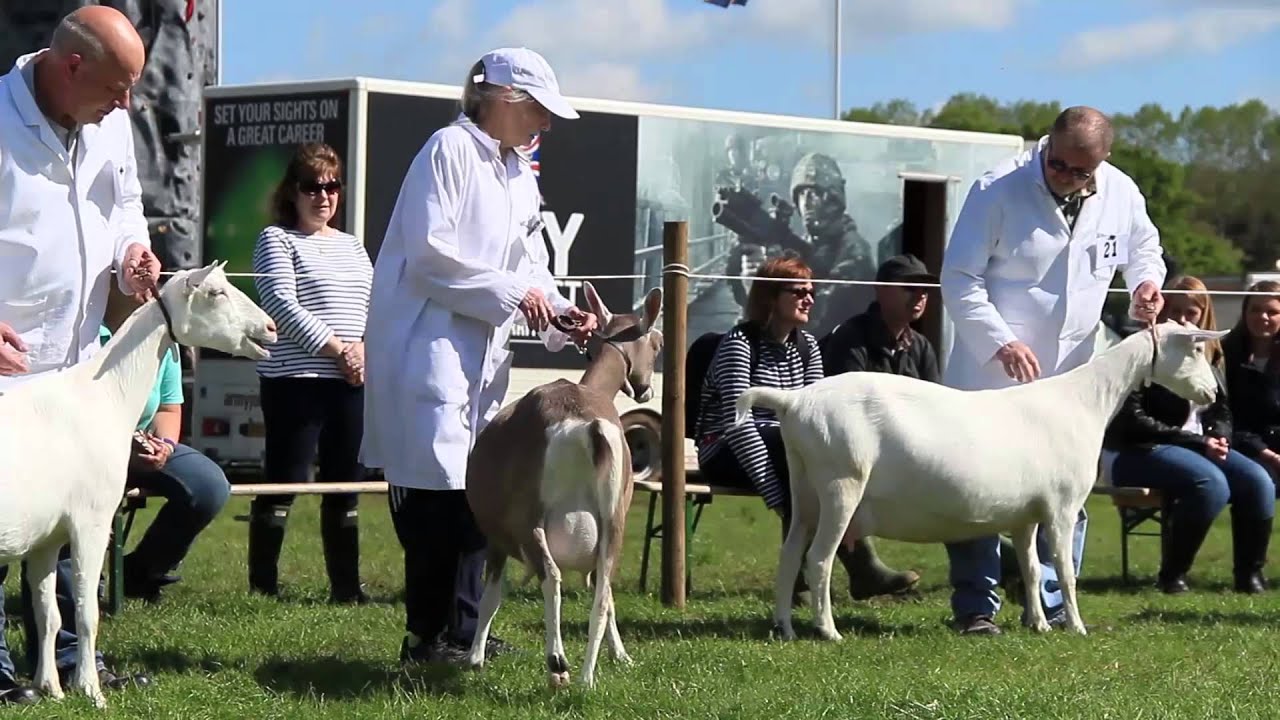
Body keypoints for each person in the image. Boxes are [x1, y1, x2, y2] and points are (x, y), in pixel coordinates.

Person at [361, 47, 597, 666]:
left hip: (481, 357)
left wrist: (560, 317)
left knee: (477, 497)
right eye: (539, 111)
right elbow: (431, 256)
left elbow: (531, 268)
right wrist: (518, 294)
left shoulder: (521, 174)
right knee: (434, 501)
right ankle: (425, 638)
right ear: (504, 100)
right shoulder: (447, 151)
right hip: (427, 345)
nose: (545, 125)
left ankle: (465, 636)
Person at [939, 106, 1167, 636]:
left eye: (1080, 171)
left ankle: (1052, 600)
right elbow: (959, 278)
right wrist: (1002, 343)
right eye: (1058, 164)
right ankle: (976, 606)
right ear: (1048, 146)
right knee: (979, 488)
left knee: (1068, 487)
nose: (1065, 177)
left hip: (1071, 374)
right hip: (994, 374)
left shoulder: (1121, 192)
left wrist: (1145, 283)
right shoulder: (997, 188)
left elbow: (1144, 250)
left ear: (1103, 161)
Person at [0, 6, 160, 702]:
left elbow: (126, 204)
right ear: (71, 69)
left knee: (78, 521)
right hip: (10, 375)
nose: (127, 104)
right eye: (117, 87)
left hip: (79, 368)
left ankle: (71, 662)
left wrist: (133, 251)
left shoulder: (110, 123)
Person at [695, 255, 920, 601]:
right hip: (726, 448)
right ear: (771, 297)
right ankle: (853, 570)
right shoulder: (738, 345)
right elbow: (738, 427)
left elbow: (819, 422)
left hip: (785, 446)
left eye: (811, 292)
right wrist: (779, 498)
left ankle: (825, 575)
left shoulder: (809, 347)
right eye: (798, 292)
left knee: (818, 451)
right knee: (795, 454)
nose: (809, 299)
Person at [249, 142, 374, 604]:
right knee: (285, 479)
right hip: (294, 383)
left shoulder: (353, 246)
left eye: (332, 186)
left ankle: (347, 588)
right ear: (292, 192)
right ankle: (262, 588)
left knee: (347, 482)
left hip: (350, 383)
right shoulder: (275, 240)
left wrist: (363, 350)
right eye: (312, 187)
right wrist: (339, 349)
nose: (324, 196)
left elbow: (374, 305)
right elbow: (281, 303)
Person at [1103, 276, 1274, 593]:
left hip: (1196, 446)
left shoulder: (1211, 352)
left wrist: (1220, 434)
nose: (1182, 318)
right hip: (1137, 449)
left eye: (1191, 312)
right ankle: (1172, 575)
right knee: (1210, 483)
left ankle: (1249, 575)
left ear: (1204, 314)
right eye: (1175, 310)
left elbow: (1221, 408)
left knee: (1257, 480)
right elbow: (1132, 420)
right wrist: (1198, 442)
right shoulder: (1142, 349)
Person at [1223, 280, 1280, 485]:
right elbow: (1226, 415)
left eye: (1272, 312)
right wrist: (1268, 454)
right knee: (1257, 482)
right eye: (1255, 310)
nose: (1262, 317)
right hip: (1241, 447)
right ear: (1244, 313)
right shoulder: (1225, 355)